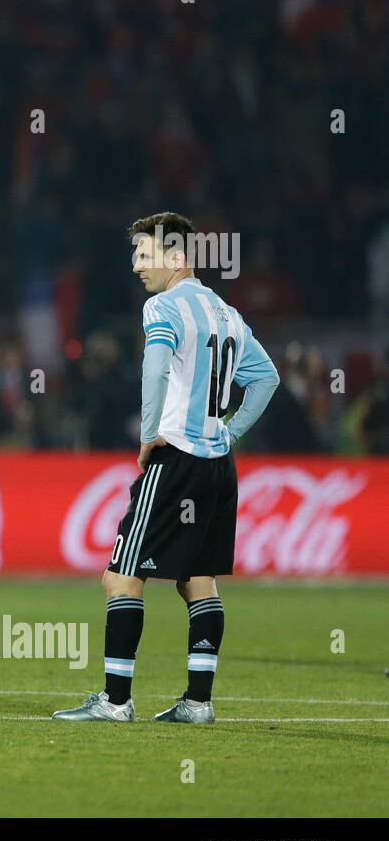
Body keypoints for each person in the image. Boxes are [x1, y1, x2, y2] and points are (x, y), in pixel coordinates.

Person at [53, 212, 279, 723]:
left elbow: (155, 366)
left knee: (121, 576)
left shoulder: (163, 307)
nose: (135, 264)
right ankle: (198, 703)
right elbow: (267, 378)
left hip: (175, 458)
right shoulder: (225, 313)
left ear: (176, 258)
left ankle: (115, 702)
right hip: (219, 465)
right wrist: (230, 430)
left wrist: (147, 433)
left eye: (144, 254)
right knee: (199, 581)